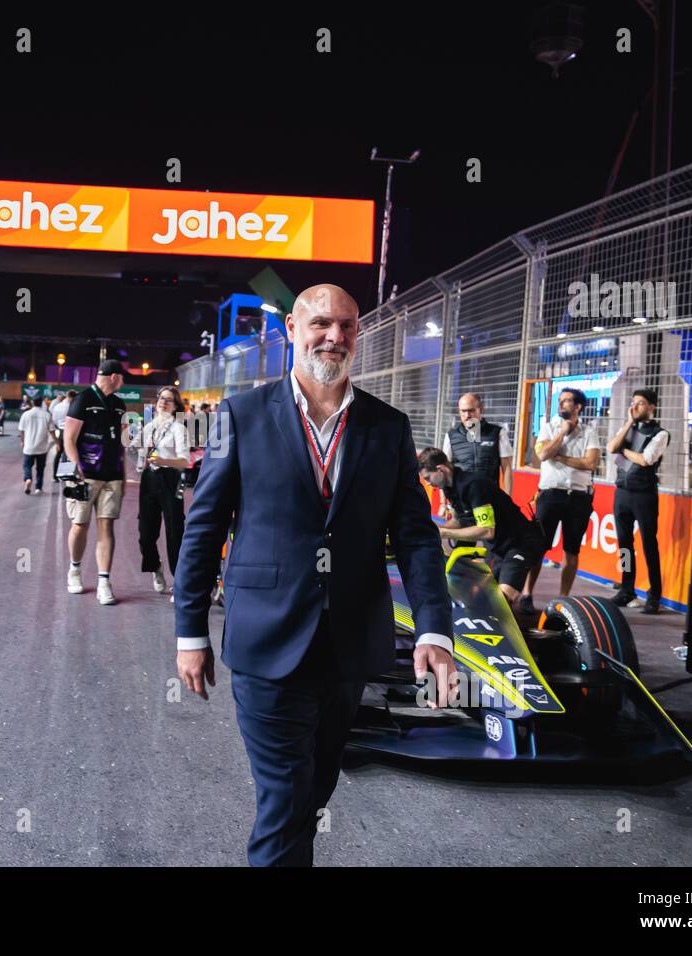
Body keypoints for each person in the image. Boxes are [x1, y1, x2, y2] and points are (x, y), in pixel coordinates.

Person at [174, 284, 454, 866]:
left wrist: (433, 629)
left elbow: (416, 538)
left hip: (350, 645)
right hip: (266, 641)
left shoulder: (387, 426)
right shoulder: (240, 415)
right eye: (322, 323)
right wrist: (191, 632)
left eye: (348, 326)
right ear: (293, 334)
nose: (335, 336)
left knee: (315, 790)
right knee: (283, 800)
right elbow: (202, 530)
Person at [418, 447, 544, 610]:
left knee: (503, 600)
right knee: (486, 599)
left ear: (441, 469)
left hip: (520, 543)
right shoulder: (449, 487)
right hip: (497, 547)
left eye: (428, 477)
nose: (428, 483)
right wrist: (435, 529)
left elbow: (487, 530)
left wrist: (443, 532)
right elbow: (459, 521)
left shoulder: (473, 485)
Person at [521, 387, 601, 612]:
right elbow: (544, 455)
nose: (561, 404)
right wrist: (562, 433)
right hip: (550, 495)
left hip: (578, 498)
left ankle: (564, 598)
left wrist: (560, 457)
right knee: (538, 547)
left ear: (578, 407)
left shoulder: (589, 432)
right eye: (560, 400)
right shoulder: (549, 427)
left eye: (567, 401)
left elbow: (590, 464)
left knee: (572, 550)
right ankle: (527, 593)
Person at [62, 361, 129, 605]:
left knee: (106, 526)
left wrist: (123, 474)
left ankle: (104, 581)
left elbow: (122, 443)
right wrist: (76, 466)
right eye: (122, 378)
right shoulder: (83, 400)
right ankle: (75, 570)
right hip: (85, 475)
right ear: (113, 377)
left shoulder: (119, 405)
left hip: (111, 476)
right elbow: (68, 438)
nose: (124, 382)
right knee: (80, 524)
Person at [607, 388, 669, 614]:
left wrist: (624, 450)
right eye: (633, 402)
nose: (635, 407)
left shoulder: (660, 433)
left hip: (644, 495)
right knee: (624, 545)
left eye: (641, 403)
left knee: (648, 545)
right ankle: (627, 588)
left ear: (652, 406)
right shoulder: (628, 429)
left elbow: (646, 459)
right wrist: (627, 424)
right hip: (622, 492)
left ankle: (654, 595)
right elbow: (612, 448)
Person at [137, 386, 190, 600]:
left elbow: (184, 461)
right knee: (145, 532)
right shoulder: (149, 427)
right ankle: (154, 566)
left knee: (174, 531)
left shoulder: (179, 429)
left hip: (171, 479)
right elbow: (137, 447)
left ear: (175, 405)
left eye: (169, 400)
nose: (163, 402)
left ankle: (179, 581)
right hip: (149, 478)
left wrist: (163, 460)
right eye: (161, 398)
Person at [441, 392, 513, 488]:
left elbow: (507, 468)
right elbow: (444, 469)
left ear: (481, 408)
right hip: (461, 498)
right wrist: (443, 501)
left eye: (471, 410)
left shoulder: (497, 433)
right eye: (463, 411)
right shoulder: (451, 436)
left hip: (488, 497)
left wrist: (507, 500)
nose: (467, 415)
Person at [18, 395, 52, 494]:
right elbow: (52, 431)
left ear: (32, 402)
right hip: (42, 447)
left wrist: (22, 441)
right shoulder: (46, 415)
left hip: (29, 447)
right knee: (40, 469)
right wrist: (58, 443)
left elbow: (22, 430)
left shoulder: (26, 414)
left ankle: (28, 479)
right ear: (41, 403)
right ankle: (38, 488)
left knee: (27, 466)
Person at [50, 390, 76, 481]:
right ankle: (64, 474)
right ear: (72, 397)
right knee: (68, 453)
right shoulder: (73, 407)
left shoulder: (57, 406)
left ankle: (55, 475)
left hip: (60, 431)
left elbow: (54, 420)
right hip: (69, 431)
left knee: (59, 453)